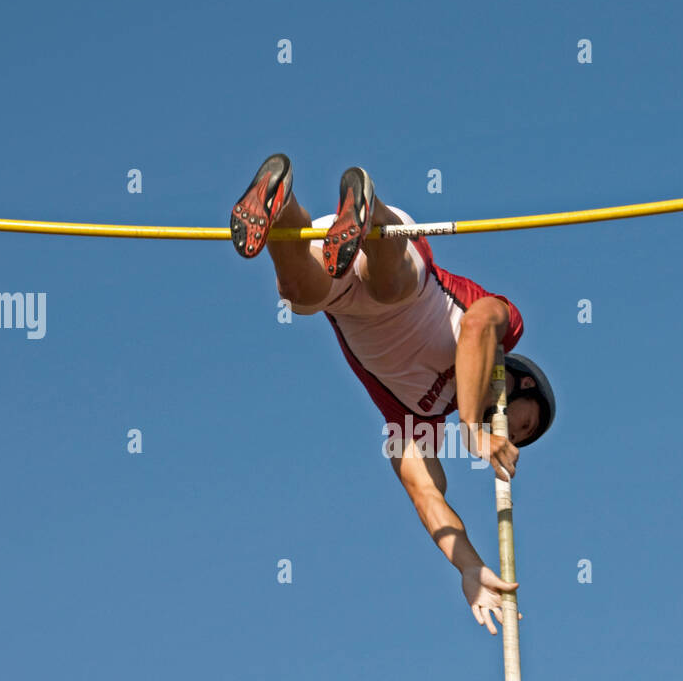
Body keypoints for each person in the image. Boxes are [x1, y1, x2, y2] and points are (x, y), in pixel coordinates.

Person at [231, 154, 556, 634]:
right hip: (396, 256)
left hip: (335, 281)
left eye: (518, 438)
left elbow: (427, 496)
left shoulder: (414, 424)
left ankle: (280, 207)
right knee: (391, 287)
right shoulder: (505, 329)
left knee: (301, 293)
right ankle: (368, 208)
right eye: (524, 423)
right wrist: (470, 430)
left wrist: (467, 567)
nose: (511, 433)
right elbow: (477, 327)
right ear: (523, 381)